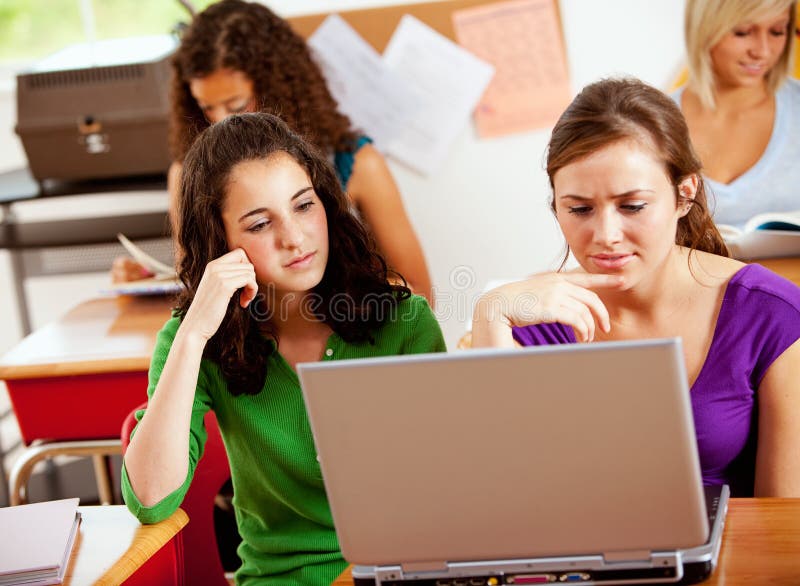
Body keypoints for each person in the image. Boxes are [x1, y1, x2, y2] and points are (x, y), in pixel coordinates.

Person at [121, 112, 446, 585]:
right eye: (258, 224)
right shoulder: (194, 339)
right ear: (220, 241)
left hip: (401, 570)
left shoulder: (404, 321)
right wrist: (192, 336)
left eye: (303, 206)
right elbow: (151, 499)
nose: (294, 238)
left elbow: (450, 488)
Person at [472, 78, 800, 498]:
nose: (606, 234)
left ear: (684, 194)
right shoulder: (531, 323)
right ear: (556, 205)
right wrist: (490, 314)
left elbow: (783, 525)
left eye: (632, 206)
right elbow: (499, 501)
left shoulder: (773, 313)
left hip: (729, 561)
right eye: (580, 209)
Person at [113, 0, 433, 303]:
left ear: (281, 87)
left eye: (237, 105)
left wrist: (315, 291)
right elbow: (196, 285)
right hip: (249, 348)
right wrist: (149, 282)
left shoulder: (359, 164)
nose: (223, 123)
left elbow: (419, 293)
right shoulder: (187, 174)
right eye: (207, 107)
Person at [673, 0, 799, 227]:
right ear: (705, 27)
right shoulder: (652, 122)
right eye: (742, 32)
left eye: (777, 31)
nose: (762, 51)